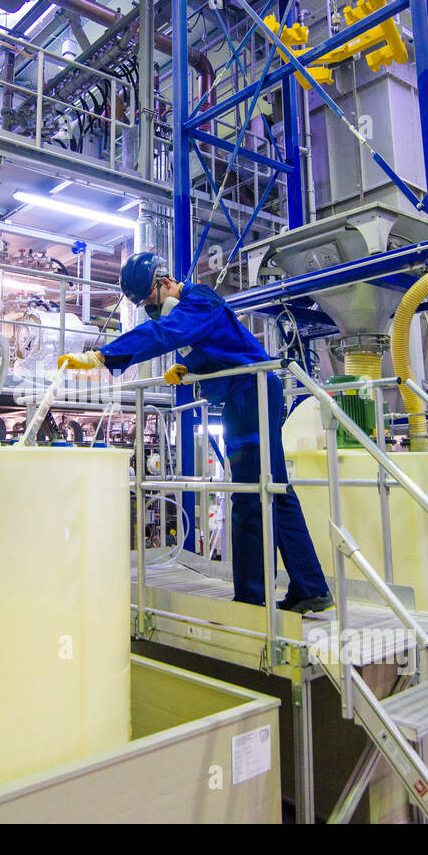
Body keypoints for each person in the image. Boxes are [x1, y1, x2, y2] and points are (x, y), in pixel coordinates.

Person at [58, 252, 331, 612]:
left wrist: (104, 355)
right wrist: (189, 367)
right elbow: (218, 350)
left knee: (250, 496)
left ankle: (250, 600)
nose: (152, 312)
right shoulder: (194, 309)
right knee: (275, 491)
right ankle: (310, 587)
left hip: (252, 393)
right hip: (246, 393)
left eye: (151, 302)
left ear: (165, 282)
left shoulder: (200, 300)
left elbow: (166, 333)